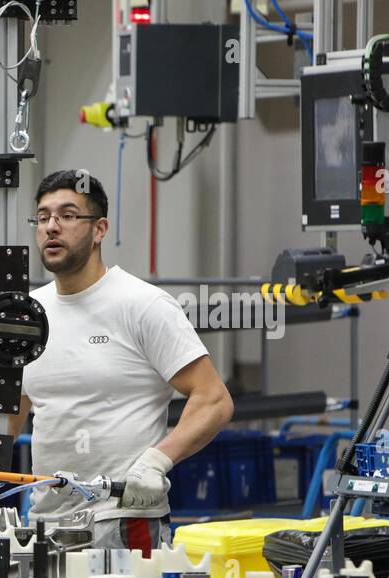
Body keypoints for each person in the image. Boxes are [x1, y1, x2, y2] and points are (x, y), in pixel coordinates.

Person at [12, 169, 234, 551]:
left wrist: (156, 462)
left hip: (123, 521)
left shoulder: (142, 305)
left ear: (100, 229)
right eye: (43, 217)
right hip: (45, 524)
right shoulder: (29, 314)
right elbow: (9, 414)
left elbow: (213, 399)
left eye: (67, 215)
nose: (52, 227)